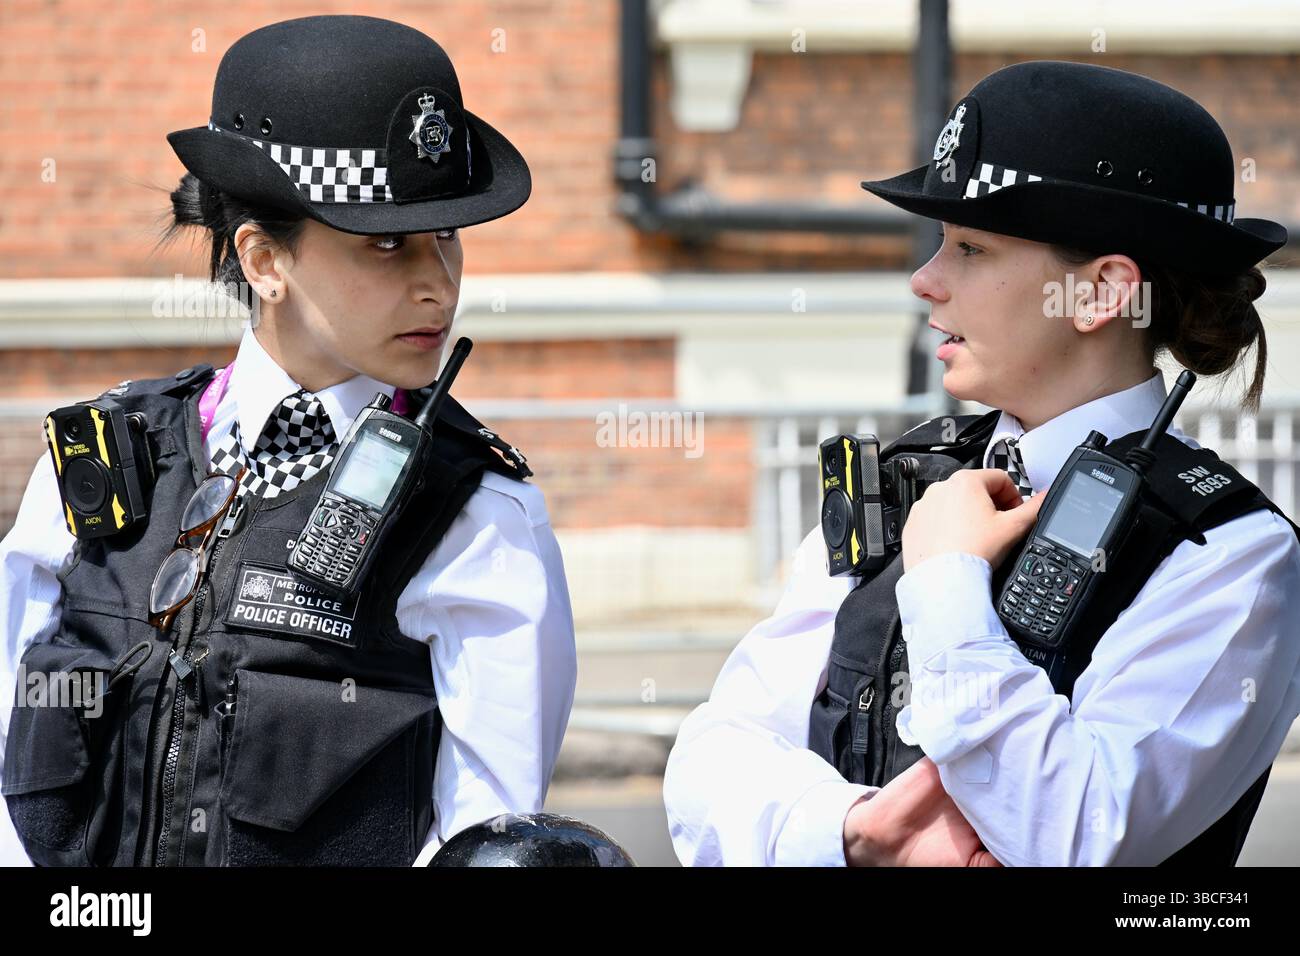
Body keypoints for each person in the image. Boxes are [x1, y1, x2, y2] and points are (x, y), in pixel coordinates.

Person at [663, 59, 1300, 866]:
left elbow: (1079, 833)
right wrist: (853, 831)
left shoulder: (1230, 555)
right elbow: (713, 753)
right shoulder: (904, 480)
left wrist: (947, 584)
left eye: (970, 247)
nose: (925, 280)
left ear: (1101, 294)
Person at [0, 14, 576, 866]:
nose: (437, 283)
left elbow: (480, 833)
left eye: (447, 235)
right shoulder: (102, 462)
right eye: (387, 244)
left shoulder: (476, 512)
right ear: (264, 260)